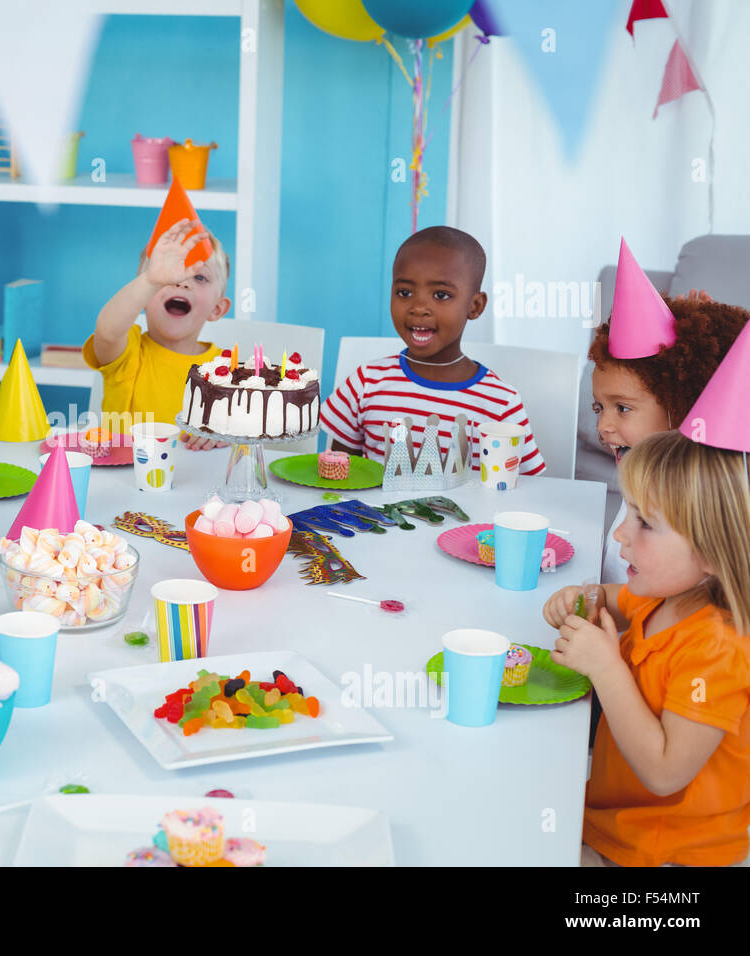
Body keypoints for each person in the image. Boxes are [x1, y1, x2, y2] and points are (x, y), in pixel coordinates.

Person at [543, 431, 750, 866]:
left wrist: (606, 668)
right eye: (628, 512)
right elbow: (611, 600)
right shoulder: (663, 595)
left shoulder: (718, 649)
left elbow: (664, 772)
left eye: (645, 523)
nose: (620, 533)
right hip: (615, 817)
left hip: (668, 852)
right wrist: (583, 598)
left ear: (713, 551)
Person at [321, 226, 545, 474]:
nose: (419, 307)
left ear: (475, 306)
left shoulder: (501, 403)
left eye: (440, 295)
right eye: (404, 292)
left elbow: (528, 488)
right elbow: (339, 474)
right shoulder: (366, 382)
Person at [587, 288, 747, 582]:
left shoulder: (698, 503)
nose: (603, 425)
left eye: (622, 408)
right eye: (599, 407)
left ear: (682, 406)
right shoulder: (642, 470)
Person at [85, 218, 231, 449]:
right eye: (168, 271)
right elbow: (107, 332)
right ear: (143, 297)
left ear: (217, 309)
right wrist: (151, 280)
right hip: (126, 472)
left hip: (199, 472)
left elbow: (244, 432)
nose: (180, 281)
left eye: (199, 277)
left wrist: (225, 436)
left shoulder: (228, 368)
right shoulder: (128, 352)